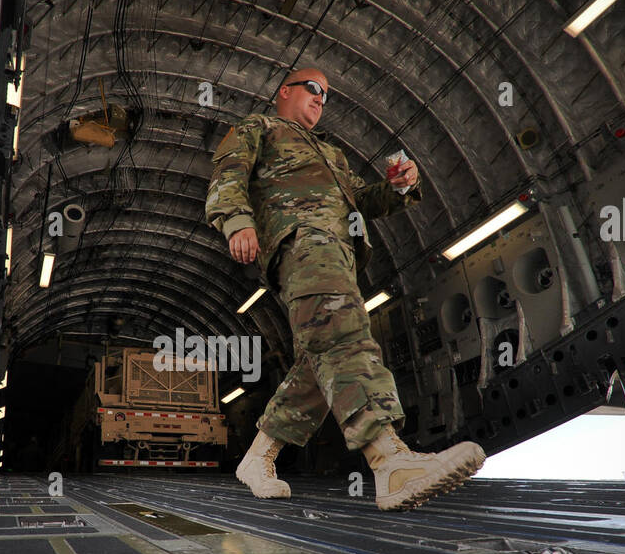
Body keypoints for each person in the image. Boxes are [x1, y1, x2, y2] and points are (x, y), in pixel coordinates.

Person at [205, 67, 485, 510]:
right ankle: (389, 461)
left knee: (320, 357)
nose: (320, 99)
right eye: (313, 89)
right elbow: (228, 174)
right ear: (284, 91)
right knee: (343, 335)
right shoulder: (260, 129)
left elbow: (364, 200)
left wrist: (400, 187)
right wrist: (238, 221)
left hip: (338, 252)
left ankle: (258, 458)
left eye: (327, 96)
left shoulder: (332, 155)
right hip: (300, 243)